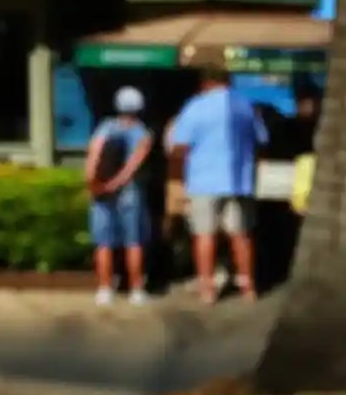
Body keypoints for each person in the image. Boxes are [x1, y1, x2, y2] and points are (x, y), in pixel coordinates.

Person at [168, 67, 267, 304]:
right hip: (239, 179)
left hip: (204, 179)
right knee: (240, 234)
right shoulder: (246, 106)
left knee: (205, 234)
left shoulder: (196, 106)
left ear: (206, 83)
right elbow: (261, 140)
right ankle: (248, 287)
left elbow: (179, 146)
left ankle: (207, 288)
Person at [85, 86, 153, 306]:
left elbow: (93, 155)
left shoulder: (105, 127)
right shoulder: (143, 133)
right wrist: (116, 183)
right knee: (133, 242)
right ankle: (136, 290)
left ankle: (104, 289)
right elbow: (133, 166)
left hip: (101, 191)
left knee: (103, 243)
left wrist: (94, 184)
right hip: (130, 192)